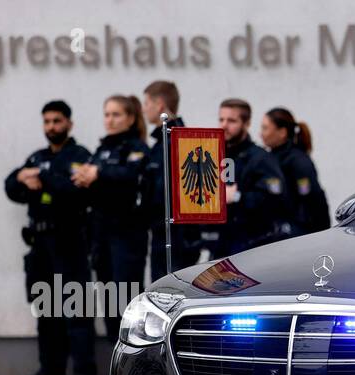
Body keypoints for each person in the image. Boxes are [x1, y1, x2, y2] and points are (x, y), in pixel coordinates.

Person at [4, 100, 93, 375]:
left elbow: (74, 191)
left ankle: (82, 369)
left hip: (68, 239)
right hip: (40, 242)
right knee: (45, 307)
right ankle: (50, 370)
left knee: (75, 304)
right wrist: (22, 177)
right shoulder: (37, 156)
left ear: (69, 123)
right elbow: (11, 186)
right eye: (47, 122)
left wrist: (43, 178)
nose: (51, 127)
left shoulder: (79, 156)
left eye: (57, 121)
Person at [72, 95, 149, 375]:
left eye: (117, 114)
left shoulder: (137, 149)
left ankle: (134, 372)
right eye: (107, 114)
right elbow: (89, 180)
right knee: (109, 298)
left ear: (130, 118)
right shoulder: (102, 150)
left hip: (127, 234)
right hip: (101, 235)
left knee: (125, 299)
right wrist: (83, 177)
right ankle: (117, 370)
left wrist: (99, 174)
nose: (111, 119)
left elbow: (132, 176)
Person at [205, 98, 287, 258]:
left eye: (231, 121)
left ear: (246, 123)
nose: (224, 125)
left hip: (251, 246)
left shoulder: (261, 159)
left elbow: (274, 200)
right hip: (219, 245)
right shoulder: (214, 156)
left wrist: (237, 196)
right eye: (221, 119)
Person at [140, 79, 198, 280]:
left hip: (176, 235)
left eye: (147, 103)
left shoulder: (177, 140)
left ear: (160, 105)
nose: (144, 109)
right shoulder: (160, 141)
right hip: (160, 231)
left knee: (170, 287)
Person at [259, 107, 330, 237]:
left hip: (300, 235)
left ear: (282, 132)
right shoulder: (271, 158)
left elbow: (309, 196)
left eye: (265, 128)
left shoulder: (298, 161)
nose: (260, 134)